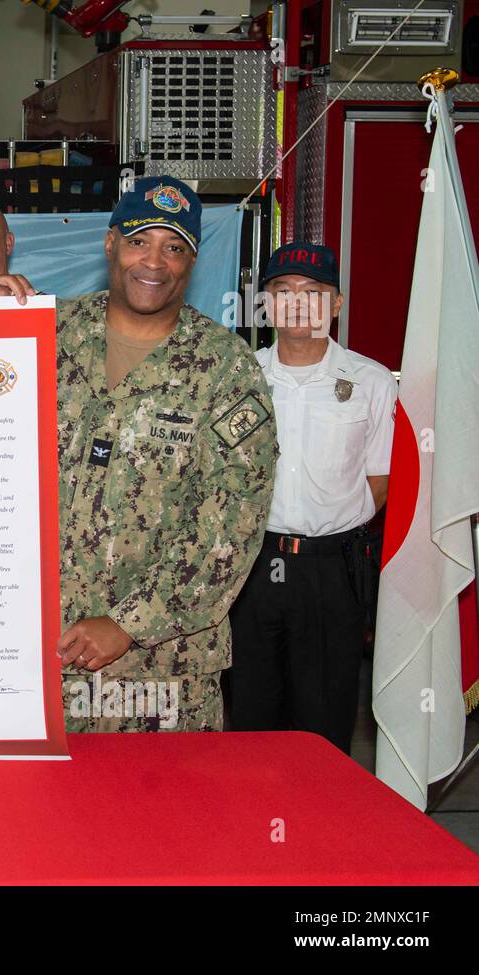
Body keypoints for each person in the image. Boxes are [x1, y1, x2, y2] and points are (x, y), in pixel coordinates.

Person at [53, 176, 278, 732]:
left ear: (192, 261)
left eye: (174, 247)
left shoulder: (226, 368)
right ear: (110, 243)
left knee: (163, 794)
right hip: (44, 658)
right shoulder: (47, 336)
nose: (154, 262)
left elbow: (234, 524)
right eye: (139, 241)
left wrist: (129, 622)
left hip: (162, 675)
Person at [228, 243, 395, 753]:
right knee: (250, 709)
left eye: (313, 291)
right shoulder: (240, 376)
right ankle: (253, 803)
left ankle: (320, 805)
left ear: (336, 303)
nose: (297, 303)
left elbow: (380, 479)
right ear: (265, 303)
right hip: (252, 566)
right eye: (282, 291)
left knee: (324, 717)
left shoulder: (370, 381)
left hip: (332, 571)